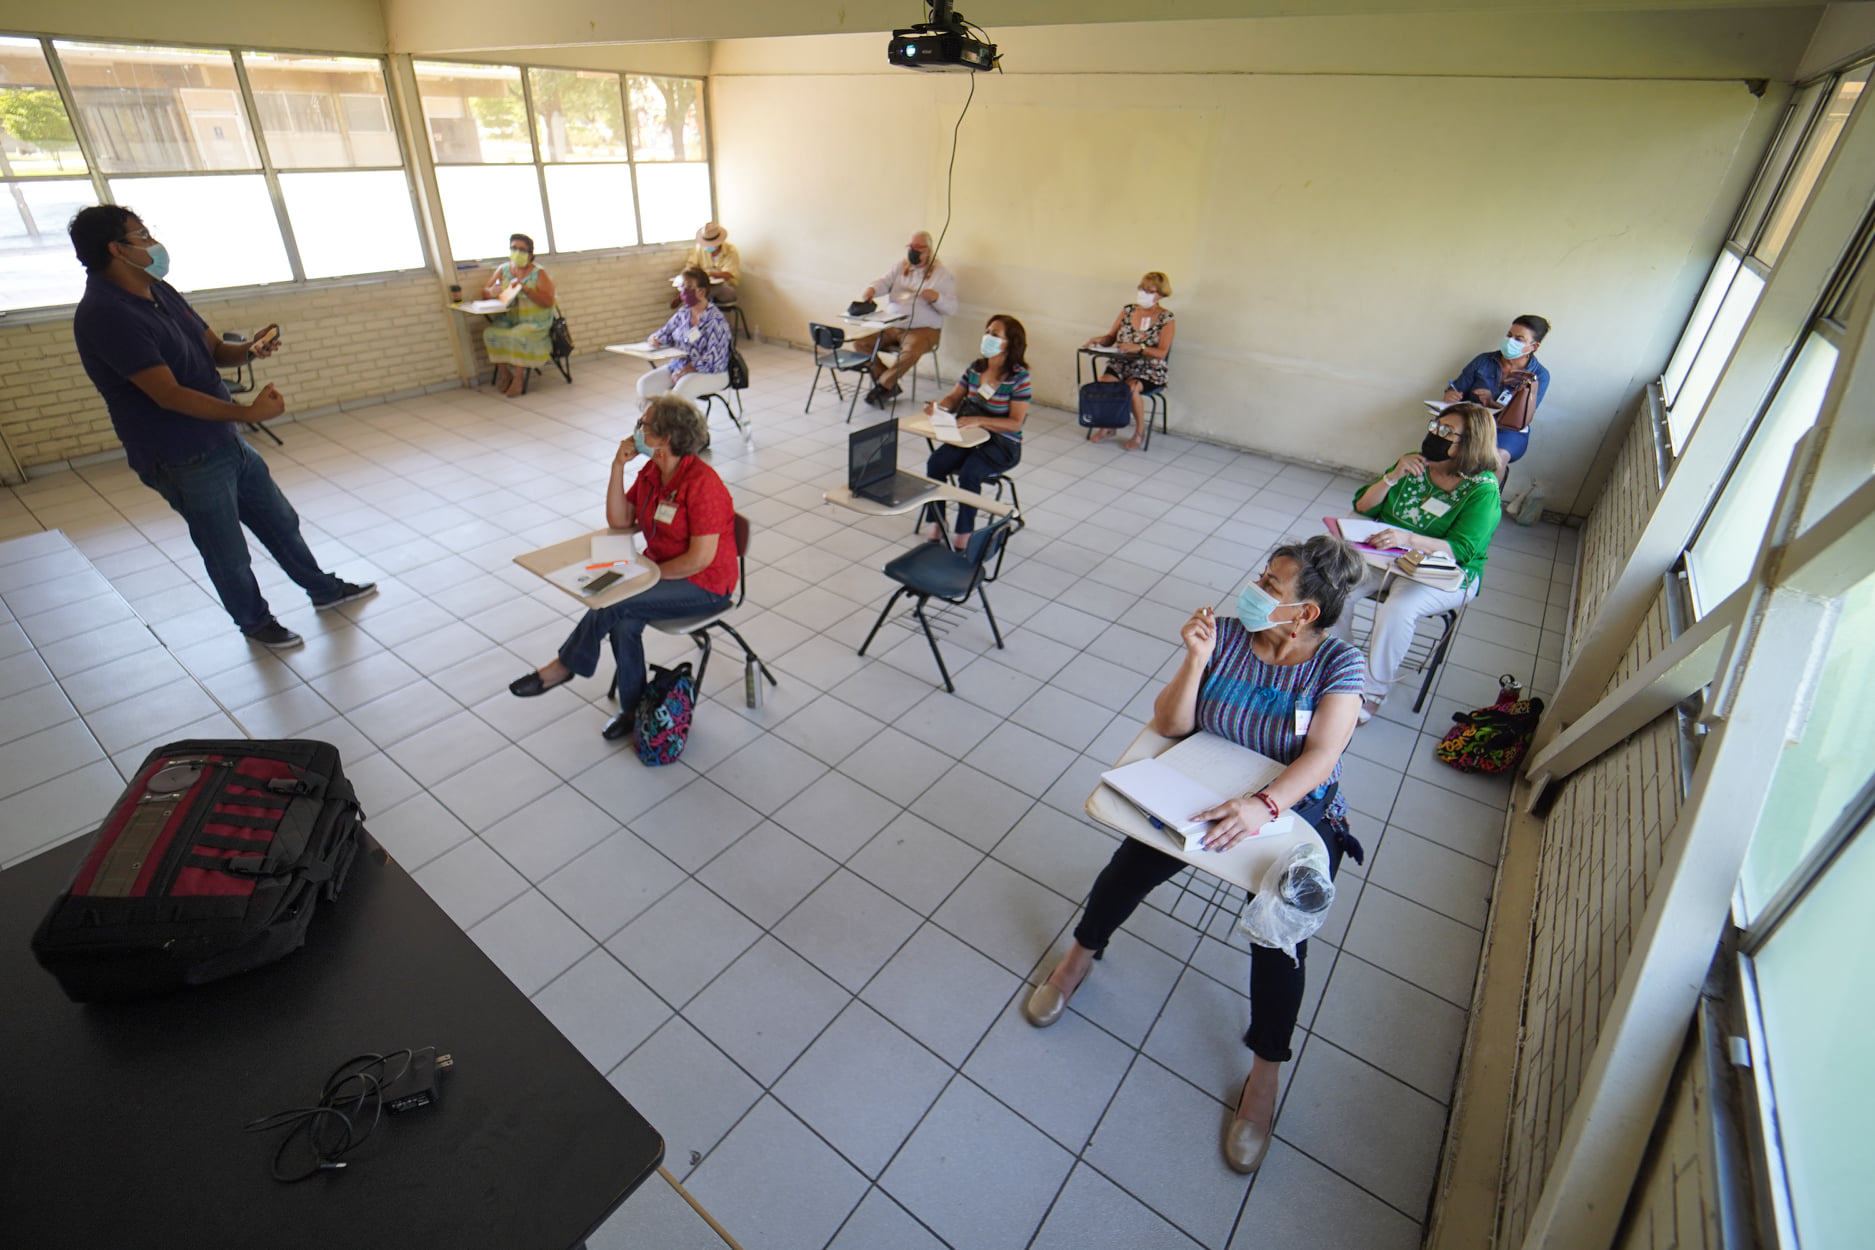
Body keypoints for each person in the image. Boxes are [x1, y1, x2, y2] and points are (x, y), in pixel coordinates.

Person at [1025, 536, 1369, 1175]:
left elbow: (1321, 757)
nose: (1255, 589)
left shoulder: (1338, 666)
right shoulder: (1232, 635)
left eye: (1272, 585)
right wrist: (1195, 658)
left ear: (1305, 614)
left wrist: (1262, 806)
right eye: (1262, 576)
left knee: (1279, 937)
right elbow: (1172, 724)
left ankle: (1265, 1072)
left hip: (1286, 808)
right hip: (1203, 781)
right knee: (1127, 869)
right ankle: (1078, 958)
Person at [67, 206, 374, 651]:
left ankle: (324, 590)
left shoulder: (160, 290)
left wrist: (250, 350)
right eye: (143, 234)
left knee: (280, 521)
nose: (153, 243)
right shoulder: (106, 314)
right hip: (180, 454)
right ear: (117, 249)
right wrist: (248, 414)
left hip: (223, 439)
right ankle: (254, 622)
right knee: (227, 550)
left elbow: (212, 349)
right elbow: (167, 395)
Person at [508, 396, 737, 740]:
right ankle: (632, 710)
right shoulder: (652, 471)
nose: (636, 430)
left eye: (644, 425)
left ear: (665, 438)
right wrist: (618, 466)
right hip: (661, 572)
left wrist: (646, 578)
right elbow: (620, 520)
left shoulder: (703, 484)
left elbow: (699, 560)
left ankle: (564, 667)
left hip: (704, 586)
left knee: (614, 602)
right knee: (623, 621)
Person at [1342, 402, 1502, 724]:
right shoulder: (1414, 463)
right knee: (1333, 588)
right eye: (1435, 427)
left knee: (1398, 610)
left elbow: (1464, 549)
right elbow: (1362, 505)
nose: (1435, 435)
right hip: (1385, 556)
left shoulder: (1482, 490)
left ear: (1470, 442)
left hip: (1442, 570)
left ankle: (1372, 693)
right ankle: (1342, 670)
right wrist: (1392, 477)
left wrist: (1409, 540)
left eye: (1447, 432)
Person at [918, 315, 1031, 549]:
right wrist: (939, 408)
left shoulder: (1019, 377)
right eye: (987, 331)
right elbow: (954, 397)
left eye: (995, 334)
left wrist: (979, 420)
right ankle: (938, 522)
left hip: (1002, 444)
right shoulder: (976, 368)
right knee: (936, 463)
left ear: (1010, 343)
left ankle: (964, 533)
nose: (988, 337)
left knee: (970, 473)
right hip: (969, 437)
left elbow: (1015, 424)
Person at [853, 230, 958, 409]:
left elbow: (952, 308)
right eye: (910, 247)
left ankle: (884, 385)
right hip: (895, 324)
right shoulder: (901, 267)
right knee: (861, 343)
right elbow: (883, 282)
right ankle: (888, 384)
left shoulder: (942, 274)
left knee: (910, 351)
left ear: (928, 251)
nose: (913, 251)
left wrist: (936, 298)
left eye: (918, 248)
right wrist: (872, 290)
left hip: (924, 329)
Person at [1441, 314, 1551, 480]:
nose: (1510, 341)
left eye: (1519, 339)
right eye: (1509, 335)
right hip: (1473, 423)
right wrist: (1451, 394)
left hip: (1508, 430)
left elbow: (1524, 416)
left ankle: (1487, 502)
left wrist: (1491, 402)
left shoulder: (1539, 375)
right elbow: (1457, 388)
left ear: (1534, 346)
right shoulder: (1484, 361)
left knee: (1496, 458)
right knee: (1446, 446)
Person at [1084, 271, 1177, 450]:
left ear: (1161, 294)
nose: (1144, 294)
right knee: (1104, 382)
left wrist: (1140, 348)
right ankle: (1108, 426)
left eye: (1150, 291)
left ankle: (1139, 432)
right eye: (1142, 289)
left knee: (1131, 387)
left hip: (1149, 368)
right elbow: (1111, 337)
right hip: (1122, 363)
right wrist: (1098, 341)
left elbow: (1162, 353)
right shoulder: (1128, 311)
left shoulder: (1167, 318)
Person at [637, 267, 732, 410]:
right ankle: (659, 425)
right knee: (645, 384)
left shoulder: (715, 320)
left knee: (679, 394)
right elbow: (664, 333)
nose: (683, 292)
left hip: (711, 372)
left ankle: (688, 428)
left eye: (688, 287)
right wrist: (655, 339)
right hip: (678, 367)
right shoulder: (683, 313)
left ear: (702, 291)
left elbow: (713, 360)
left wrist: (686, 370)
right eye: (682, 287)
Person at [482, 233, 557, 397]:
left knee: (518, 335)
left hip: (535, 321)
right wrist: (492, 291)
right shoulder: (503, 269)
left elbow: (548, 301)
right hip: (509, 317)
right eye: (514, 248)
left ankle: (518, 379)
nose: (517, 252)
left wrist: (527, 289)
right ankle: (505, 375)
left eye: (522, 250)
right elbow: (485, 292)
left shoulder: (539, 273)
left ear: (530, 254)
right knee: (491, 333)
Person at [675, 222, 740, 307]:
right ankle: (688, 302)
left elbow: (728, 275)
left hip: (725, 288)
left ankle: (686, 299)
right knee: (692, 290)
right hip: (704, 286)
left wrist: (709, 274)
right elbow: (691, 265)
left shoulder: (730, 251)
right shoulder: (700, 249)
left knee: (700, 293)